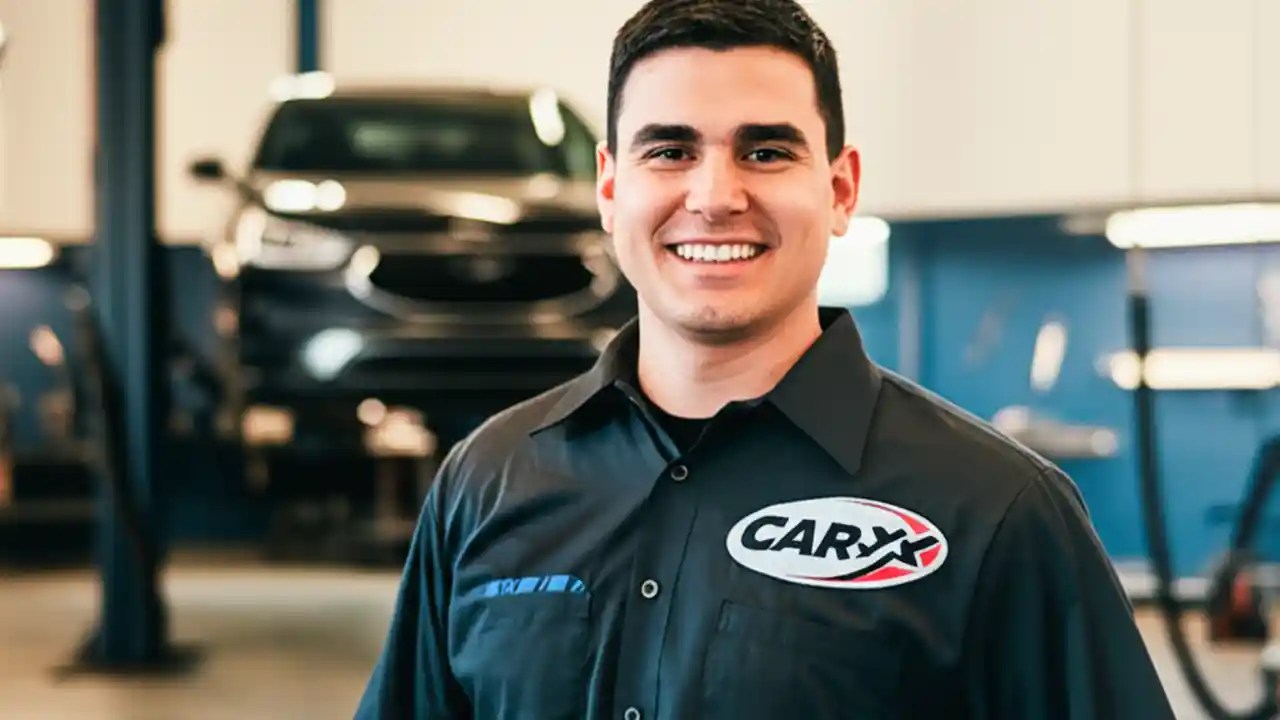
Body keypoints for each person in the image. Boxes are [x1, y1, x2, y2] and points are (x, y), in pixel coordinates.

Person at [355, 1, 1177, 717]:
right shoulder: (488, 482)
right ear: (611, 189)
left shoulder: (997, 513)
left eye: (766, 151)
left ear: (841, 189)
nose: (714, 196)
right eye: (669, 151)